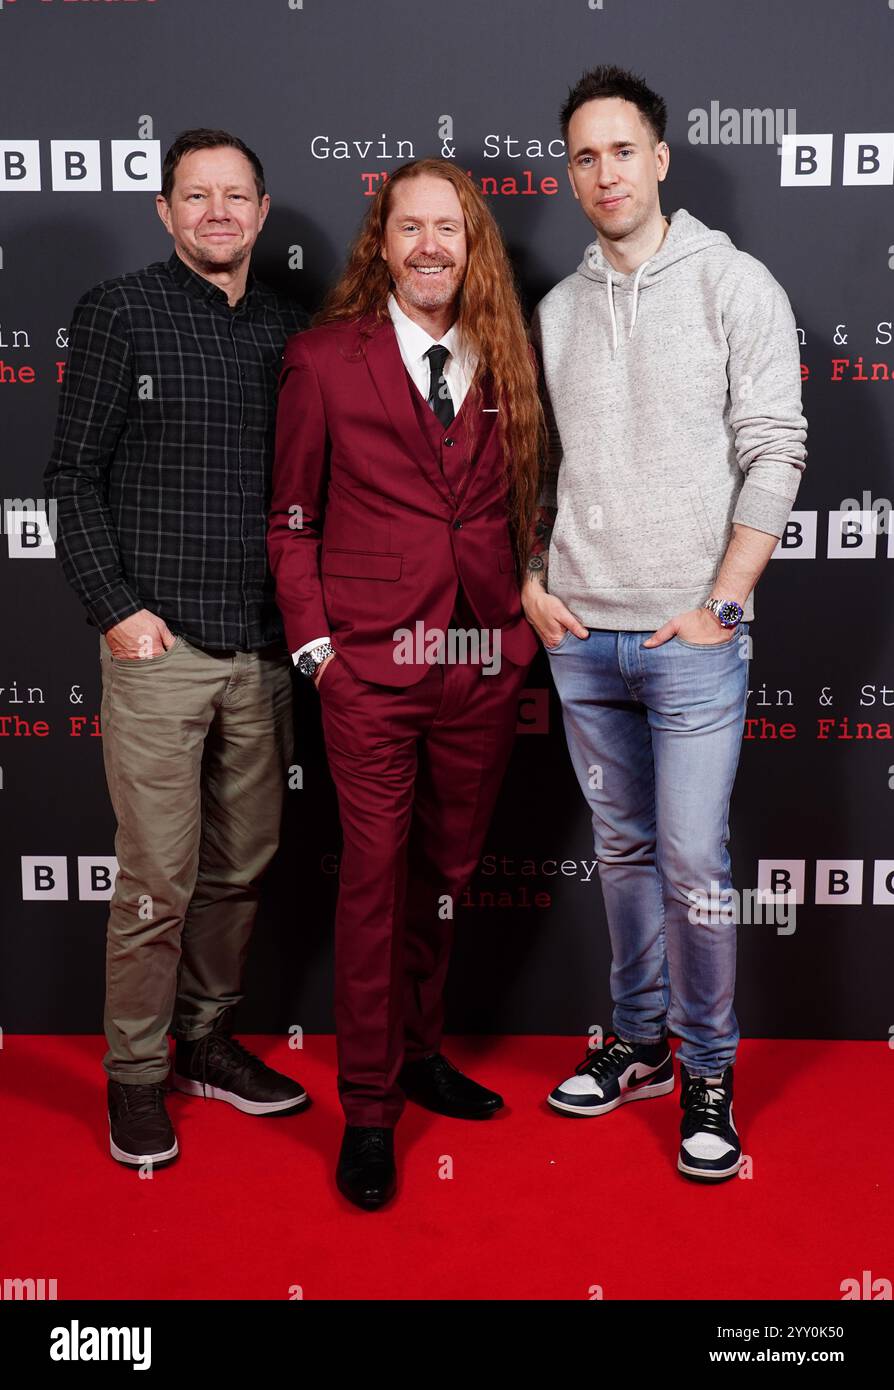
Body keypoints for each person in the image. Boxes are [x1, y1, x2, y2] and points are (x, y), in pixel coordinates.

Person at [524, 67, 807, 1182]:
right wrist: (533, 576)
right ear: (572, 171)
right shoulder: (555, 311)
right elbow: (540, 470)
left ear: (661, 158)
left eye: (622, 151)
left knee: (693, 859)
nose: (605, 173)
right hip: (581, 638)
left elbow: (774, 447)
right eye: (584, 156)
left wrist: (725, 601)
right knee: (624, 852)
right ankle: (639, 1042)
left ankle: (710, 1071)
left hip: (691, 644)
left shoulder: (734, 284)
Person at [268, 158, 543, 1209]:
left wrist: (515, 638)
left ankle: (422, 1048)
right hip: (370, 672)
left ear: (471, 245)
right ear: (380, 242)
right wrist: (319, 654)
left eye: (451, 229)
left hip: (480, 663)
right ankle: (372, 1108)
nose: (432, 246)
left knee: (446, 869)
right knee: (376, 883)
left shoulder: (507, 359)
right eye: (411, 227)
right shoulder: (322, 360)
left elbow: (529, 502)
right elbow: (290, 520)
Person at [44, 129, 309, 1170]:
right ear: (165, 211)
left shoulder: (290, 331)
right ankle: (138, 1077)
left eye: (234, 196)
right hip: (160, 647)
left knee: (241, 866)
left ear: (261, 208)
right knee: (158, 877)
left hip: (261, 647)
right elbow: (71, 476)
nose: (216, 213)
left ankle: (205, 1041)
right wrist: (114, 609)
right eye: (195, 196)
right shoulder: (120, 312)